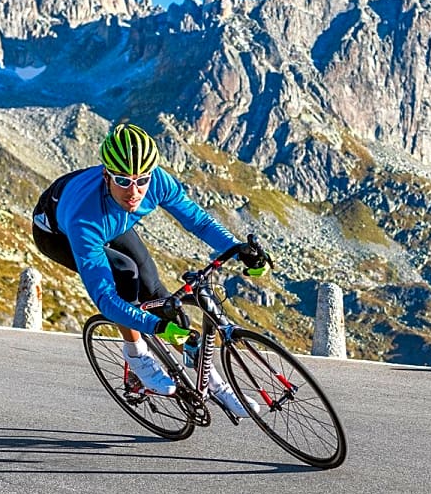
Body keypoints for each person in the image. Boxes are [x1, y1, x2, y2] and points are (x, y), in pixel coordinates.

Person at [31, 123, 267, 417]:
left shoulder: (156, 182)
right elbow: (104, 298)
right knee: (124, 274)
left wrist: (236, 248)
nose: (134, 191)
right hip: (57, 231)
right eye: (123, 180)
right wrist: (154, 326)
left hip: (111, 217)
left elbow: (199, 222)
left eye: (141, 180)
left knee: (157, 294)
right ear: (107, 175)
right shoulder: (84, 222)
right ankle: (138, 357)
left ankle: (219, 388)